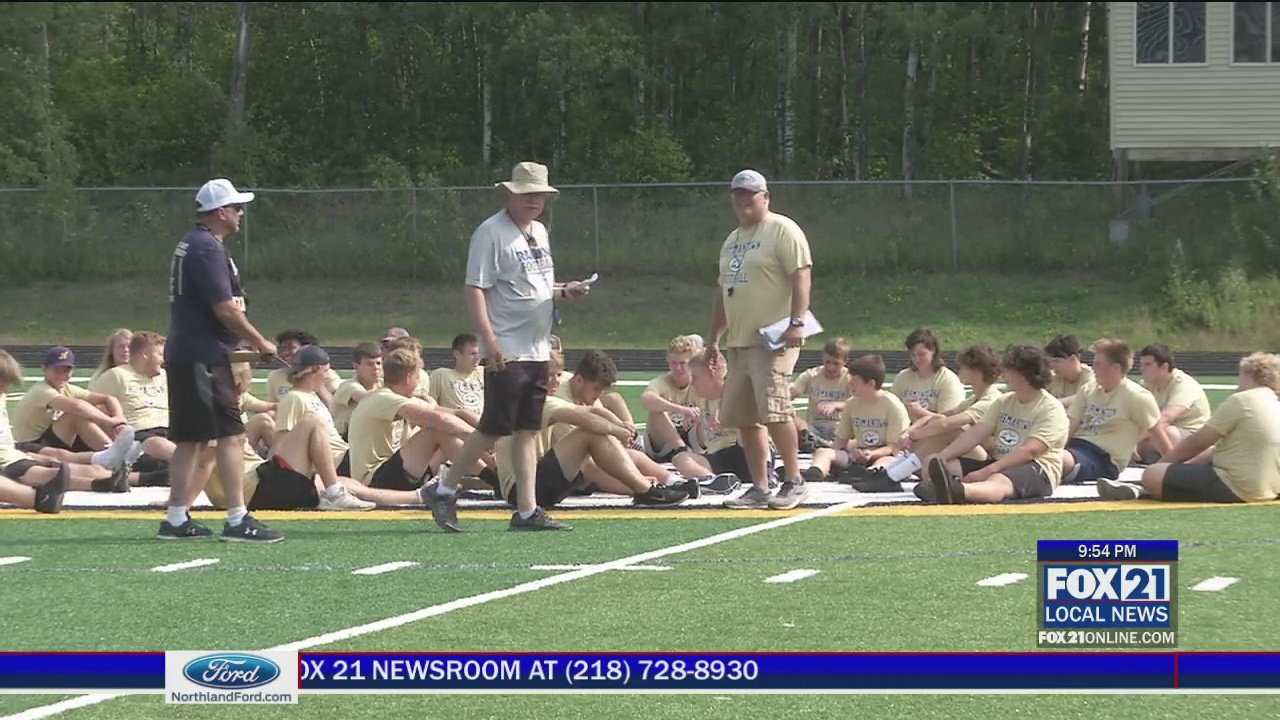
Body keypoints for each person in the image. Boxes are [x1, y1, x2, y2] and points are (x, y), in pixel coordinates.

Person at [426, 162, 590, 532]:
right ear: (511, 194)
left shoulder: (540, 232)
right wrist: (491, 340)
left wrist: (566, 290)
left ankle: (528, 509)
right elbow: (475, 288)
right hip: (508, 346)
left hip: (535, 346)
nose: (535, 201)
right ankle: (445, 488)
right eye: (527, 194)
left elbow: (536, 284)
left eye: (540, 195)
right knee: (493, 426)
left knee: (528, 429)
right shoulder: (490, 232)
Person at [161, 177, 281, 543]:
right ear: (220, 212)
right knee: (231, 435)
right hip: (204, 357)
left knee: (191, 440)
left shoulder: (194, 243)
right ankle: (236, 517)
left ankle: (177, 518)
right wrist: (259, 340)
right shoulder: (206, 248)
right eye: (236, 207)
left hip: (189, 353)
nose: (241, 214)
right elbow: (225, 308)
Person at [705, 169, 814, 511]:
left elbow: (801, 275)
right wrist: (713, 339)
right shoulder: (732, 239)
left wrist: (797, 322)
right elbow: (724, 291)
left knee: (775, 410)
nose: (742, 200)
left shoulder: (781, 229)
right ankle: (760, 486)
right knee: (743, 417)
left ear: (765, 197)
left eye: (750, 194)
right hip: (738, 342)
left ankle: (794, 479)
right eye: (737, 194)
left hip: (773, 338)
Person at [1099, 352, 1280, 504]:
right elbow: (1213, 450)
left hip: (1240, 486)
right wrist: (1180, 468)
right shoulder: (1274, 402)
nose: (1238, 384)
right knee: (1207, 454)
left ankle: (1147, 487)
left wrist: (1164, 464)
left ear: (1249, 374)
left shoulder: (1243, 400)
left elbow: (1198, 442)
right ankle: (1151, 487)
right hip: (1270, 486)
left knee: (1153, 474)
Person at [915, 344, 1070, 505]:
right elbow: (975, 434)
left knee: (999, 479)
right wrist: (941, 458)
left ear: (1023, 375)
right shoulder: (1004, 401)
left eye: (1009, 370)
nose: (1005, 375)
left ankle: (957, 490)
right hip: (999, 461)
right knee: (942, 464)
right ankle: (947, 488)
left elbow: (1029, 452)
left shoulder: (1050, 409)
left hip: (1037, 468)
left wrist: (987, 471)